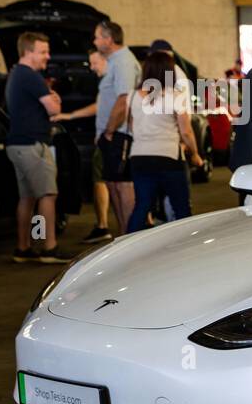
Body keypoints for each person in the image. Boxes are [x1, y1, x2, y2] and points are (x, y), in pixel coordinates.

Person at [3, 32, 71, 263]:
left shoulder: (16, 74)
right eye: (43, 52)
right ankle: (48, 248)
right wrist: (54, 98)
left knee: (28, 198)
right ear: (28, 52)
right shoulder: (30, 76)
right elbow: (54, 110)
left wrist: (51, 99)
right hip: (32, 145)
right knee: (47, 195)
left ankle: (24, 248)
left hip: (18, 144)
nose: (47, 56)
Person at [126, 50, 202, 232]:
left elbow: (131, 127)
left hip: (139, 157)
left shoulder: (133, 96)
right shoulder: (176, 96)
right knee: (181, 207)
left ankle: (126, 246)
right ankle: (187, 248)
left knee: (142, 206)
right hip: (168, 157)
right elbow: (186, 131)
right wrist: (195, 154)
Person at [54, 47, 115, 242]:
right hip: (110, 138)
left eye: (95, 62)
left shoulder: (111, 80)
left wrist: (108, 131)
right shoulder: (111, 80)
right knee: (117, 183)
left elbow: (106, 107)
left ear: (106, 60)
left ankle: (105, 226)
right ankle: (127, 227)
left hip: (110, 139)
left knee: (104, 182)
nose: (92, 67)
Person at [93, 20, 140, 234]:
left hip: (120, 135)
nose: (95, 41)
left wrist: (110, 130)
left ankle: (130, 236)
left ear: (109, 39)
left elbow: (124, 99)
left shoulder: (123, 62)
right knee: (113, 184)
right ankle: (123, 233)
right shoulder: (113, 61)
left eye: (97, 37)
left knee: (123, 186)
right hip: (111, 134)